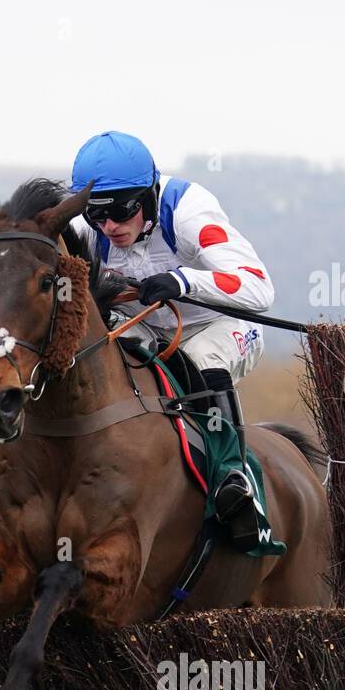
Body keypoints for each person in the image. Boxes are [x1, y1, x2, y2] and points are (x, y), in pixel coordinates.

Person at [71, 131, 275, 550]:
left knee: (200, 356)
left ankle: (233, 477)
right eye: (97, 216)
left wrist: (183, 281)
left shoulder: (186, 210)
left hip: (221, 326)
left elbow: (258, 289)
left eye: (121, 211)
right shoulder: (88, 231)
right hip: (149, 328)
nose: (109, 226)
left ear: (148, 195)